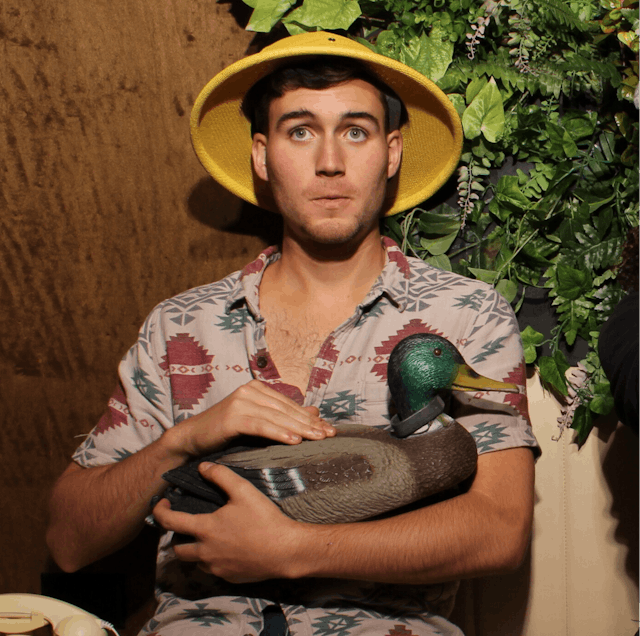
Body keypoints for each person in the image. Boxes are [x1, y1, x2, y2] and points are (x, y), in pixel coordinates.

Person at [47, 32, 539, 636]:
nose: (329, 162)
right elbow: (69, 541)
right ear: (262, 155)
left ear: (391, 153)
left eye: (355, 132)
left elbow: (500, 530)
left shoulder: (466, 315)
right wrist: (183, 441)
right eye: (300, 131)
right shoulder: (179, 326)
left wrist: (295, 549)